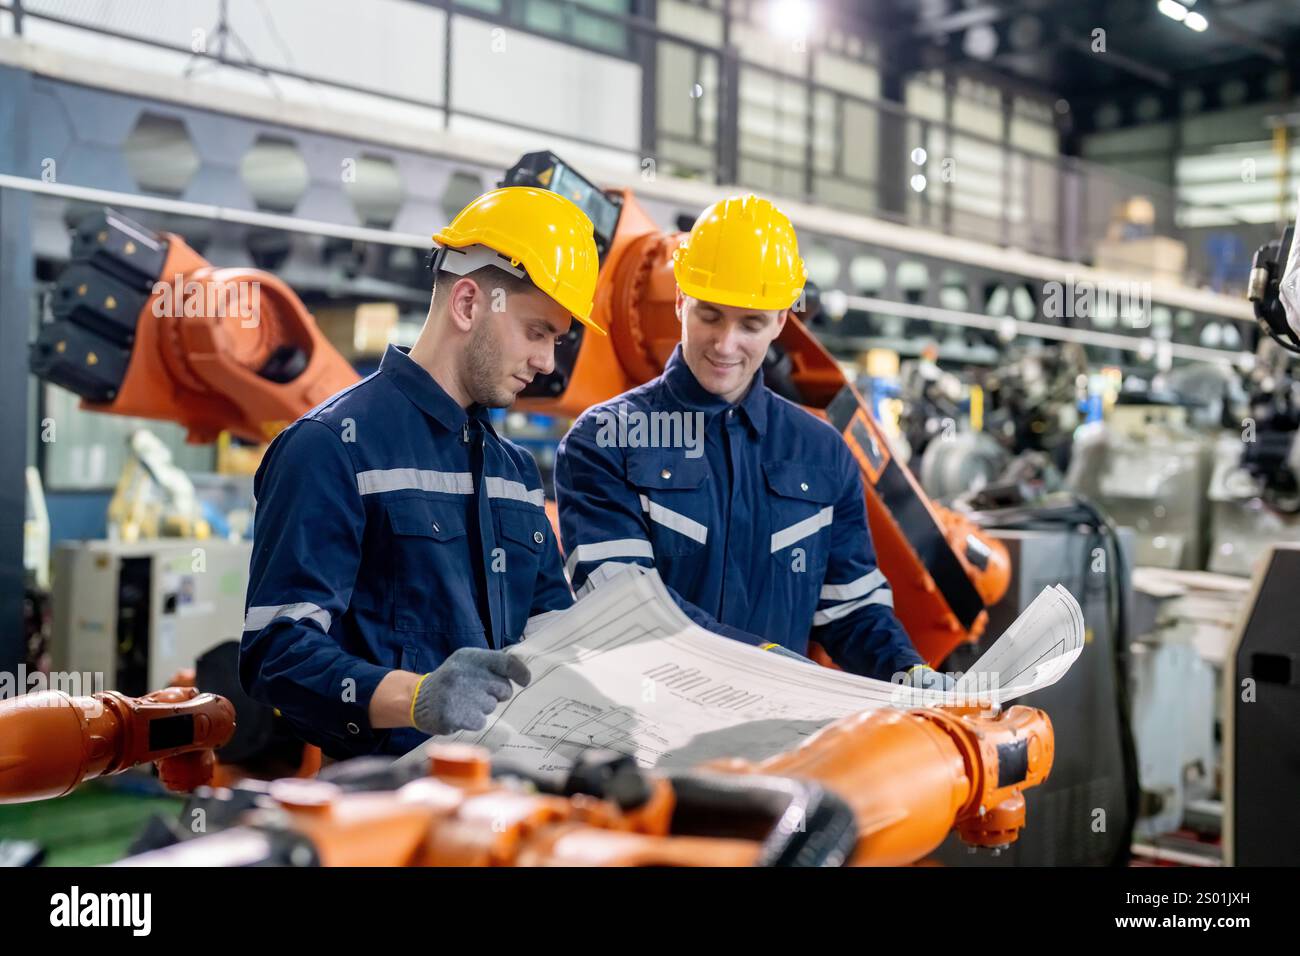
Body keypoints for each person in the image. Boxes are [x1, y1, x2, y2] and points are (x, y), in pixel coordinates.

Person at [240, 186, 602, 758]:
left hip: (509, 800)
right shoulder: (331, 448)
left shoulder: (515, 471)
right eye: (537, 332)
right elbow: (278, 653)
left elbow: (552, 628)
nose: (547, 362)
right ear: (466, 304)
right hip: (390, 808)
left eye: (555, 340)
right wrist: (418, 696)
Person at [555, 194, 950, 687]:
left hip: (778, 746)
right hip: (643, 743)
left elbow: (850, 609)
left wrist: (906, 670)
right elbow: (624, 606)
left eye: (752, 324)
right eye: (710, 315)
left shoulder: (823, 454)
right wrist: (769, 663)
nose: (725, 345)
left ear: (782, 321)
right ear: (680, 300)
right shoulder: (604, 441)